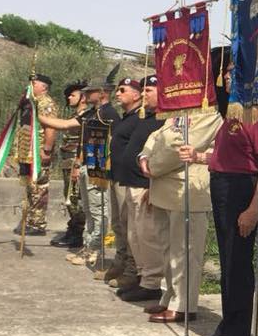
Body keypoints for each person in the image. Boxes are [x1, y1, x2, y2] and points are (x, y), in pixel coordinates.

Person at [186, 49, 258, 336]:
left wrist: (253, 210)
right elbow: (225, 157)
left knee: (238, 265)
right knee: (228, 263)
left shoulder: (255, 115)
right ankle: (227, 326)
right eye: (225, 72)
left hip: (240, 190)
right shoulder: (231, 115)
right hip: (222, 185)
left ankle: (238, 335)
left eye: (233, 72)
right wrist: (201, 157)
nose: (227, 76)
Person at [138, 108, 222, 323]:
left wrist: (153, 166)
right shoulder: (180, 109)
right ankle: (169, 297)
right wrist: (144, 155)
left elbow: (177, 147)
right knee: (169, 250)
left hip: (188, 189)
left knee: (185, 252)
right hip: (165, 189)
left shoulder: (209, 112)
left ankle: (184, 305)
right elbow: (157, 135)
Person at [40, 78, 120, 269]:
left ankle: (94, 250)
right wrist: (38, 114)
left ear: (102, 93)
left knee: (98, 211)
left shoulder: (109, 114)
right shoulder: (93, 113)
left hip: (98, 168)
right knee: (89, 211)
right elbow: (66, 124)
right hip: (86, 165)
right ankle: (88, 246)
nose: (86, 94)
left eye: (90, 91)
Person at [115, 75, 166, 303]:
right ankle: (142, 277)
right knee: (134, 236)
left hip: (145, 186)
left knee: (147, 237)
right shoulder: (147, 116)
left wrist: (151, 185)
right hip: (131, 183)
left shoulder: (164, 119)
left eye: (149, 91)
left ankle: (152, 283)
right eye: (143, 91)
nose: (144, 95)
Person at [106, 77, 146, 290]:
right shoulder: (126, 117)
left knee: (130, 226)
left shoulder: (140, 118)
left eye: (123, 90)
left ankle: (133, 269)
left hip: (129, 179)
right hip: (117, 176)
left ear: (136, 94)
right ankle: (121, 262)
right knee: (118, 224)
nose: (118, 94)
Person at [14, 73, 57, 236]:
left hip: (38, 152)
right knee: (29, 187)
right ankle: (28, 219)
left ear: (43, 87)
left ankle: (38, 223)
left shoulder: (46, 102)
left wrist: (47, 149)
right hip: (26, 151)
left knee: (39, 186)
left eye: (34, 83)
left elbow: (50, 128)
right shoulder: (30, 102)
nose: (30, 85)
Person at [50, 80, 87, 249]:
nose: (69, 98)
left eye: (73, 95)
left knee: (74, 199)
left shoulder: (85, 115)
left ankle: (77, 234)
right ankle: (74, 229)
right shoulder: (76, 115)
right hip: (68, 162)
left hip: (75, 162)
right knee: (70, 198)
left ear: (83, 97)